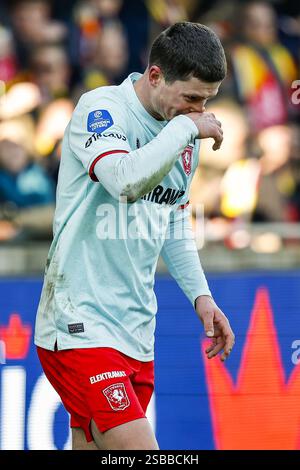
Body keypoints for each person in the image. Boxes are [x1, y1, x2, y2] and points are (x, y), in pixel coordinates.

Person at [34, 22, 235, 450]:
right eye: (192, 98)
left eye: (206, 102)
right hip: (79, 323)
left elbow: (174, 218)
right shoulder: (102, 109)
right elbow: (123, 179)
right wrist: (184, 129)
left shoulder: (183, 133)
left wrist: (203, 297)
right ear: (156, 75)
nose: (199, 112)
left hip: (135, 330)